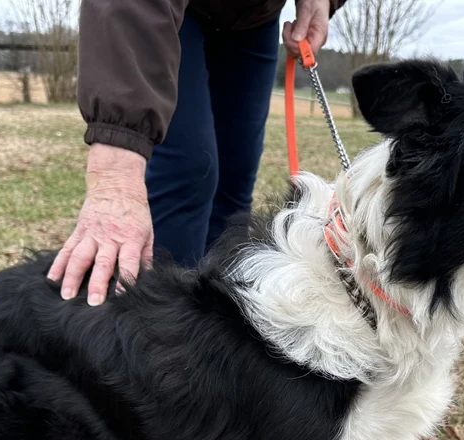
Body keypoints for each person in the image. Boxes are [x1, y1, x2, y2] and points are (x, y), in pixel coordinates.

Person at [48, 0, 344, 306]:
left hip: (253, 17)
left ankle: (215, 328)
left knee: (235, 184)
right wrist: (115, 175)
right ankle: (154, 325)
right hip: (167, 13)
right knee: (188, 171)